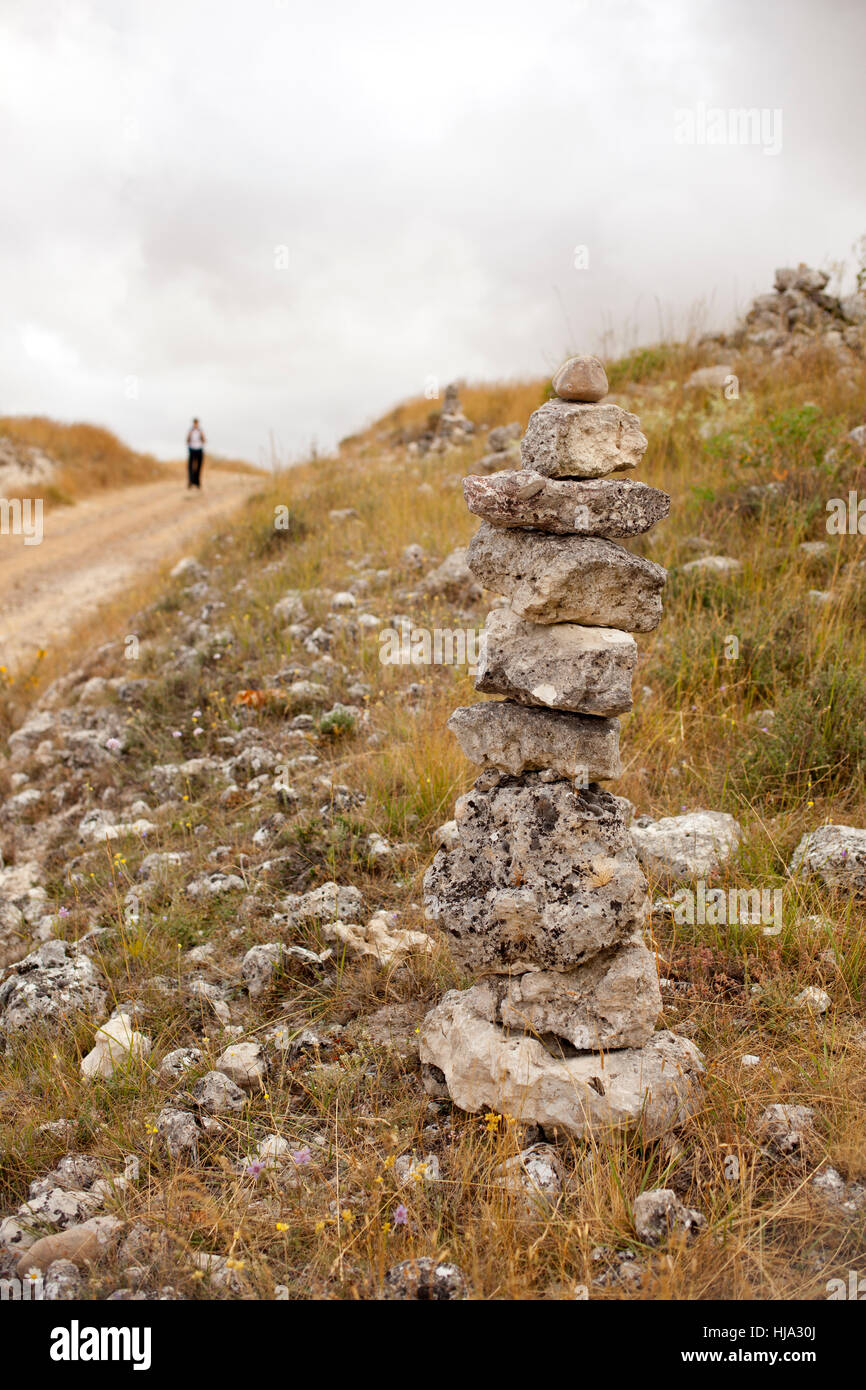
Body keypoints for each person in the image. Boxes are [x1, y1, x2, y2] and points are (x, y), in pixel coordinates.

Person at [186, 418, 206, 489]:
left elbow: (204, 440)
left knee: (199, 466)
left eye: (196, 423)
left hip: (199, 449)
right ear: (193, 423)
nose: (195, 424)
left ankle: (197, 482)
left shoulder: (200, 430)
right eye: (195, 423)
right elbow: (187, 440)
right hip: (192, 449)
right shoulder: (190, 430)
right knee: (190, 467)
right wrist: (189, 435)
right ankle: (190, 482)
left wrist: (201, 434)